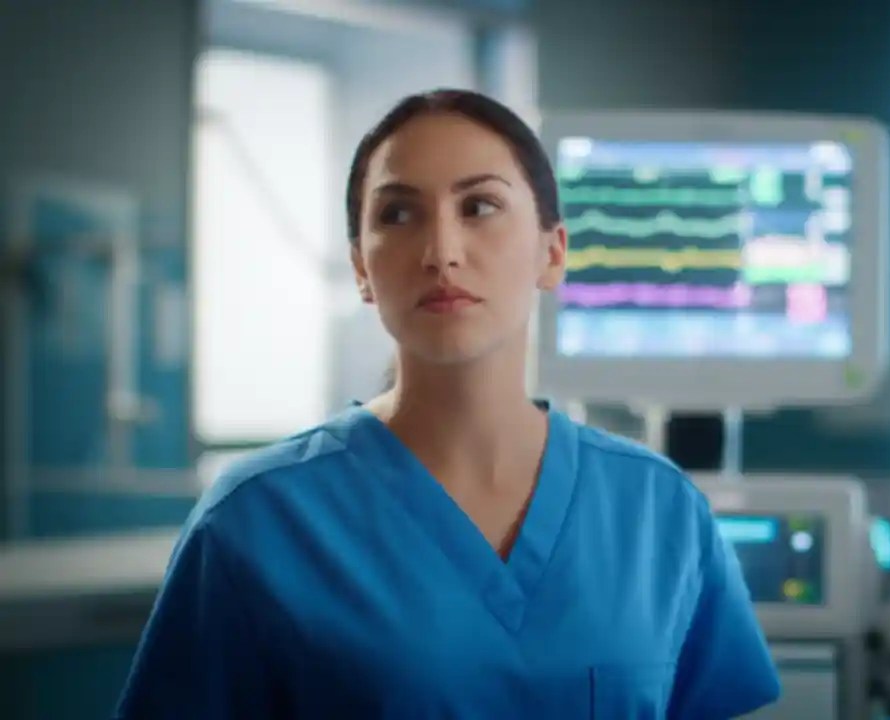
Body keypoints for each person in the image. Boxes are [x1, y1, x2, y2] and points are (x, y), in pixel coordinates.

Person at [114, 89, 781, 719]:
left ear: (553, 252)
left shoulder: (658, 509)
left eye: (480, 207)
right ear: (360, 269)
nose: (442, 252)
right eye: (398, 214)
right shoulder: (256, 522)